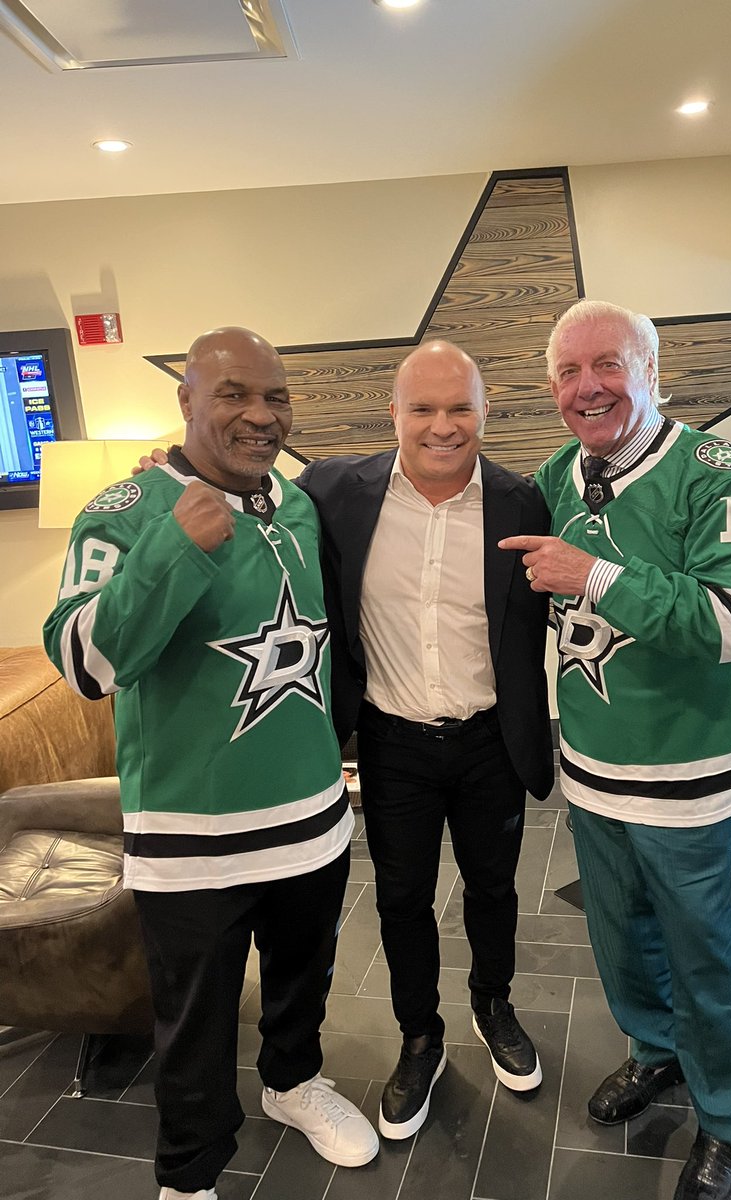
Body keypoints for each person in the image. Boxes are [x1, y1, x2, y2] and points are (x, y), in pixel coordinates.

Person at [44, 328, 378, 1200]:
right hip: (191, 836)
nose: (260, 415)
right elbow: (84, 663)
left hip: (311, 818)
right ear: (186, 399)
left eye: (276, 396)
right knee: (193, 1025)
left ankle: (293, 1082)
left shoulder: (298, 503)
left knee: (303, 980)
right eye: (233, 393)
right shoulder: (124, 510)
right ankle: (190, 1175)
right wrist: (174, 547)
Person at [500, 300, 731, 1200]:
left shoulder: (718, 473)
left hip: (689, 771)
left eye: (609, 365)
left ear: (653, 372)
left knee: (702, 951)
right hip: (593, 765)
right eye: (569, 372)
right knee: (620, 937)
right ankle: (656, 1049)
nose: (588, 388)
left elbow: (730, 624)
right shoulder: (554, 475)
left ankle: (725, 1118)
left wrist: (595, 576)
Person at [297, 339, 554, 1139]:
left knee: (494, 887)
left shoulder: (523, 502)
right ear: (393, 413)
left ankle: (493, 1004)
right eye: (423, 409)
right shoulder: (334, 491)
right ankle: (420, 1037)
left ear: (485, 412)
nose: (443, 426)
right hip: (391, 740)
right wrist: (172, 476)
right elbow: (253, 509)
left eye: (459, 408)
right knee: (402, 897)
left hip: (489, 739)